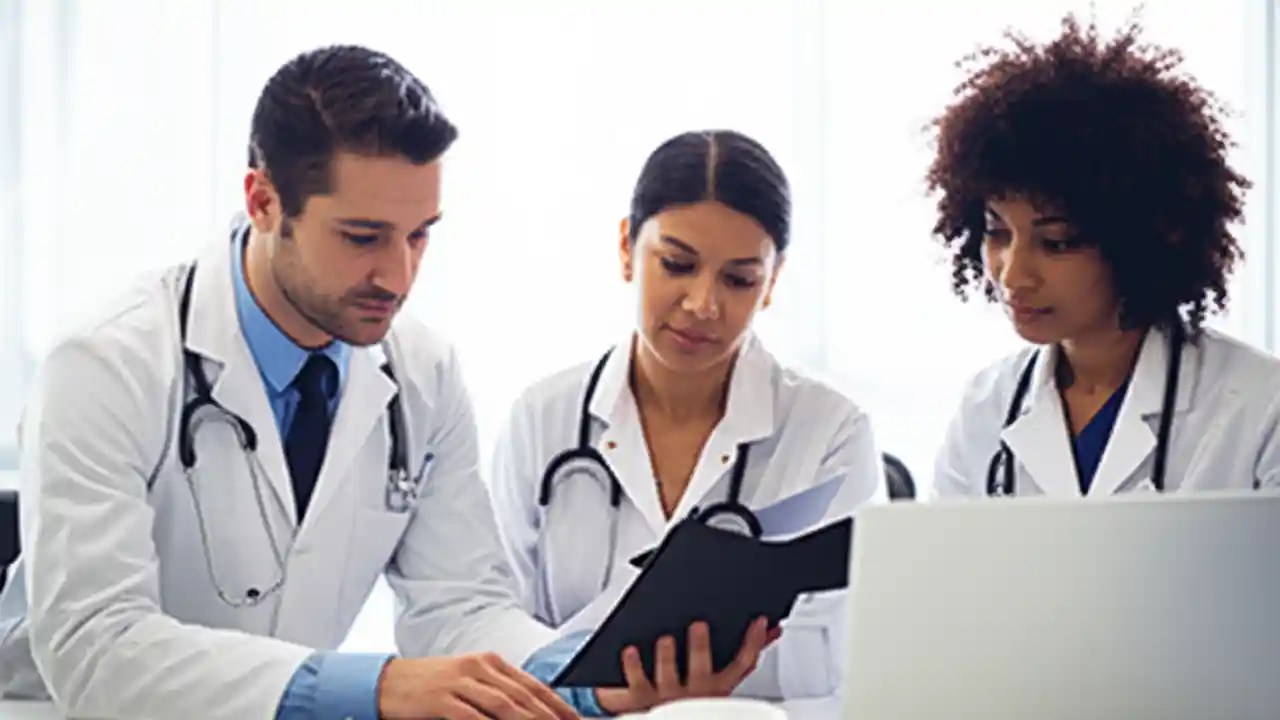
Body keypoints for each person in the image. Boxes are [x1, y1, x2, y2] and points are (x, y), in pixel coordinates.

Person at [0, 44, 646, 720]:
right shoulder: (107, 363)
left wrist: (580, 681)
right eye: (362, 237)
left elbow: (460, 607)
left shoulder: (422, 373)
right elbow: (97, 648)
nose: (398, 277)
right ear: (264, 201)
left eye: (420, 236)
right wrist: (379, 686)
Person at [491, 129, 886, 707]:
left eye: (739, 279)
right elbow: (493, 624)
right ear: (627, 247)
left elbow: (842, 665)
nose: (703, 303)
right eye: (677, 264)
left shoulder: (831, 434)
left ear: (772, 282)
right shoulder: (542, 419)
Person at [925, 16, 1280, 499]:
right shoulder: (986, 407)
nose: (1014, 275)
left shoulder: (1261, 407)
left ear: (1144, 240)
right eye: (998, 233)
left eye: (1057, 243)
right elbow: (944, 572)